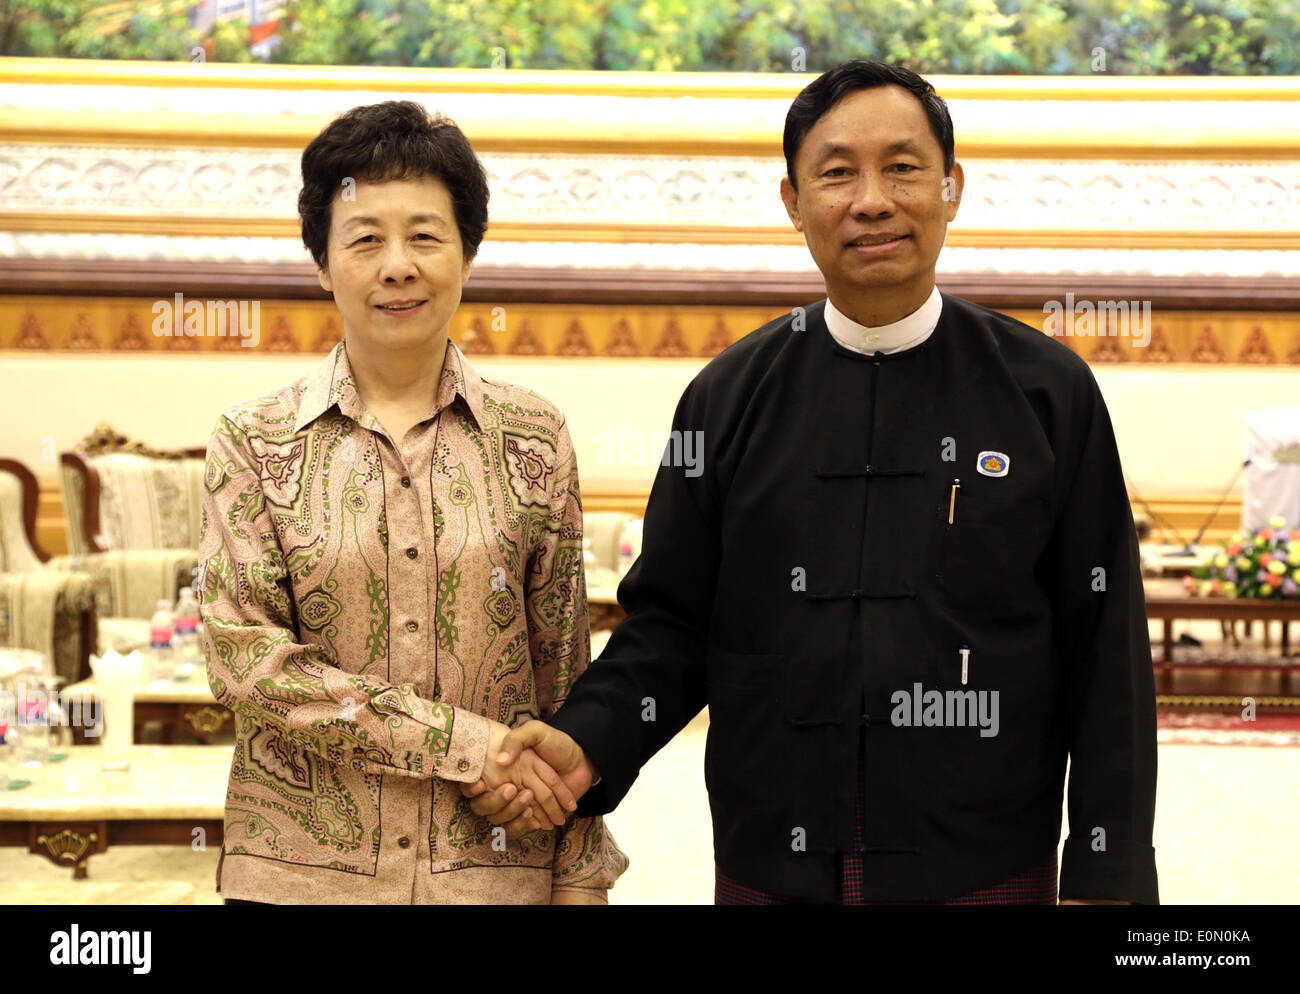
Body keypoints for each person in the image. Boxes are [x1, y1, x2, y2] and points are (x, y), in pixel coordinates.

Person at [464, 61, 1158, 905]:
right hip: (771, 863)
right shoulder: (726, 399)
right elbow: (670, 628)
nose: (872, 200)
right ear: (793, 202)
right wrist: (587, 742)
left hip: (984, 866)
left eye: (902, 167)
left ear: (952, 188)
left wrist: (1107, 875)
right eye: (837, 174)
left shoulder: (1047, 393)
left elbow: (1107, 650)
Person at [197, 100, 627, 904]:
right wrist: (465, 745)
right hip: (300, 878)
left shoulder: (535, 436)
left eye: (425, 236)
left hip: (492, 870)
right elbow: (243, 659)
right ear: (322, 263)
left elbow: (564, 672)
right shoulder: (253, 440)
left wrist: (579, 876)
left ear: (468, 253)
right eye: (365, 239)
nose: (397, 266)